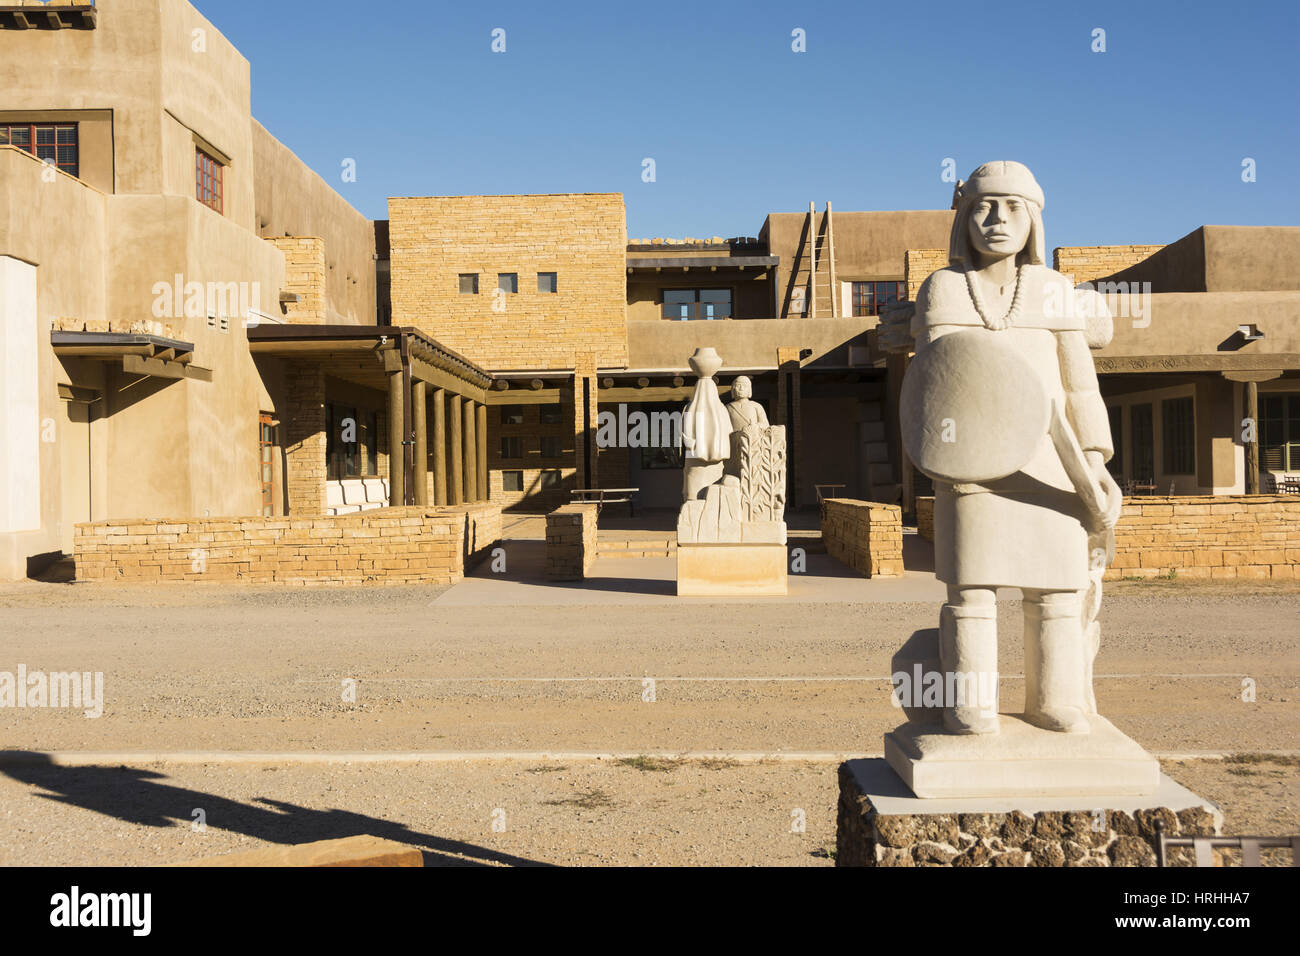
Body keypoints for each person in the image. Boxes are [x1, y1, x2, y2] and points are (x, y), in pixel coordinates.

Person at [908, 161, 1121, 735]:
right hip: (972, 467)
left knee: (1055, 587)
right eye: (982, 206)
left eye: (1012, 206)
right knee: (972, 588)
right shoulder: (945, 289)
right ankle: (969, 704)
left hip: (1055, 464)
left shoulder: (1053, 291)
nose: (996, 219)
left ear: (1034, 219)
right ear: (962, 217)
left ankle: (1055, 699)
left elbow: (1080, 384)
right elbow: (940, 382)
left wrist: (1096, 459)